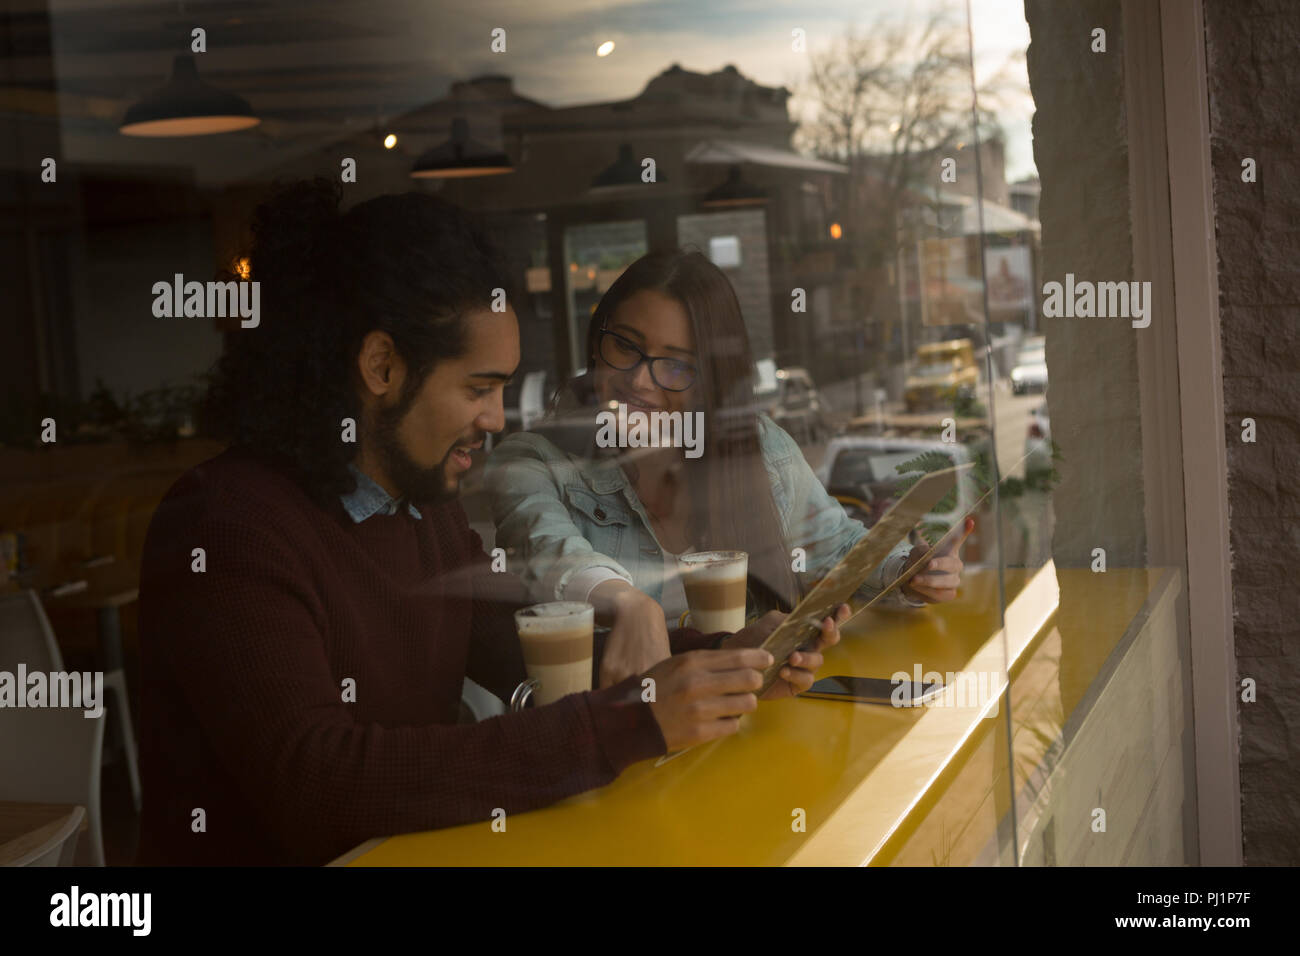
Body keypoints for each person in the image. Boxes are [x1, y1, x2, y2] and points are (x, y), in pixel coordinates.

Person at [135, 182, 845, 866]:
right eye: (479, 388)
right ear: (382, 365)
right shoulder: (225, 527)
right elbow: (321, 785)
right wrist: (634, 720)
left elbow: (527, 642)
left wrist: (719, 659)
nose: (496, 420)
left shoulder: (421, 509)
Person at [486, 250, 970, 688]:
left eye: (675, 367)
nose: (638, 381)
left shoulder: (760, 451)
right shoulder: (533, 459)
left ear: (709, 385)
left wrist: (906, 571)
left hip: (747, 730)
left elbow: (837, 547)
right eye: (625, 346)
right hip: (617, 751)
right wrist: (630, 604)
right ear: (597, 341)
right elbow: (548, 552)